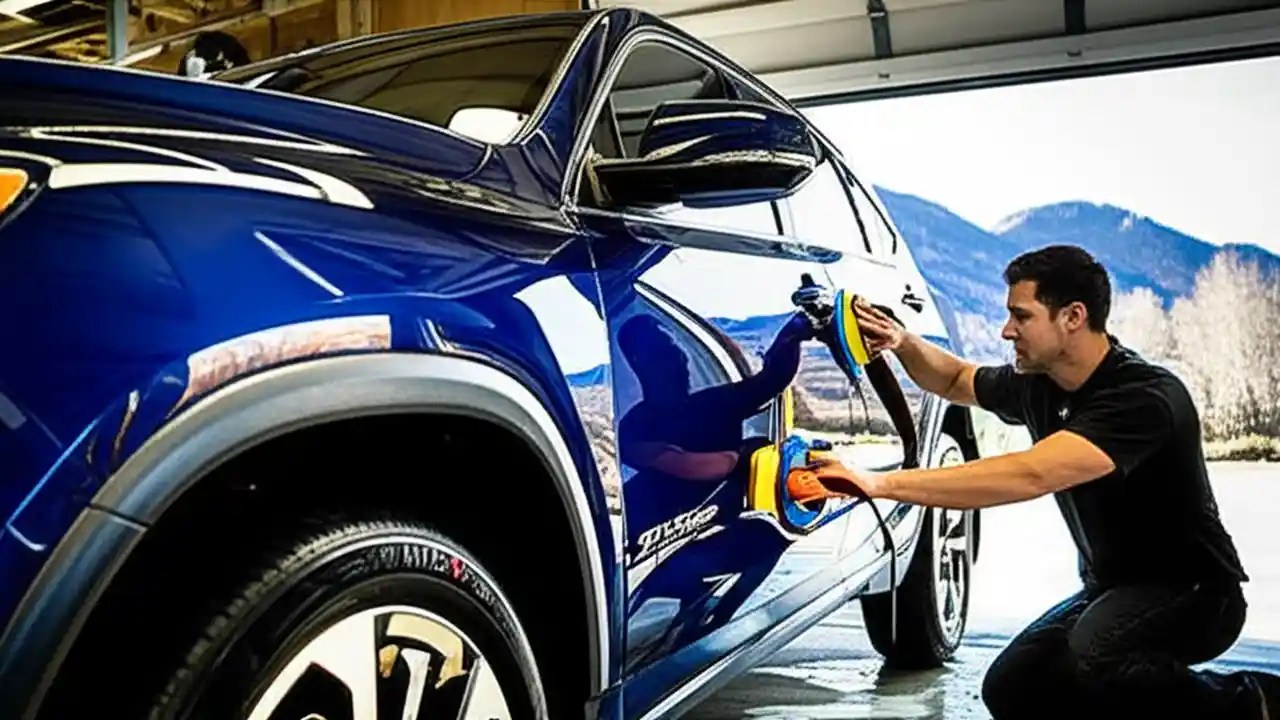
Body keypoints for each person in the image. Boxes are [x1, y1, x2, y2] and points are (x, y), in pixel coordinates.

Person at [810, 244, 1279, 719]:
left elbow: (1030, 474)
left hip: (1196, 595)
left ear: (1073, 317)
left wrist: (879, 484)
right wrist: (900, 341)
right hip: (1111, 589)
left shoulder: (1144, 398)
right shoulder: (1039, 382)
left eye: (1021, 316)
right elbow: (953, 380)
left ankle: (1249, 703)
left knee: (1094, 654)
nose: (1006, 330)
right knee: (1013, 686)